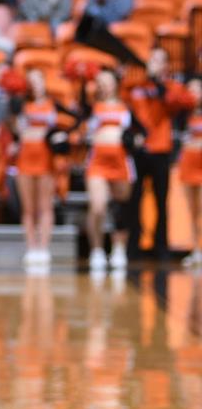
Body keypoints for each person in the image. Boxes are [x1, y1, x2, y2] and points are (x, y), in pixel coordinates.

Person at [126, 47, 187, 259]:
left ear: (166, 65)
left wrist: (159, 84)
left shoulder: (171, 87)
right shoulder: (137, 87)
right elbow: (125, 103)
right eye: (152, 59)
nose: (155, 64)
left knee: (161, 200)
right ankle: (134, 245)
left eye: (159, 60)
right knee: (134, 200)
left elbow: (180, 103)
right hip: (139, 150)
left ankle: (161, 246)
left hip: (161, 149)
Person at [14, 68, 71, 267]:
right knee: (28, 207)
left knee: (45, 205)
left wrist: (61, 136)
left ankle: (44, 247)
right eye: (31, 81)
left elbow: (73, 120)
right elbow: (14, 129)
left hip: (46, 158)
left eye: (38, 80)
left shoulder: (54, 104)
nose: (35, 85)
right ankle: (31, 247)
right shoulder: (21, 105)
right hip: (25, 157)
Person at [83, 67, 134, 273]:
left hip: (121, 161)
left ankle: (119, 249)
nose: (104, 84)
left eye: (107, 80)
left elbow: (139, 131)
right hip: (98, 161)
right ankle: (96, 250)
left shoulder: (127, 106)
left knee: (121, 206)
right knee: (98, 206)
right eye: (100, 81)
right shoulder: (90, 106)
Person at [178, 78, 202, 268]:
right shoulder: (183, 114)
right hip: (188, 162)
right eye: (190, 90)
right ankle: (196, 250)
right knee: (192, 210)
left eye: (197, 89)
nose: (193, 93)